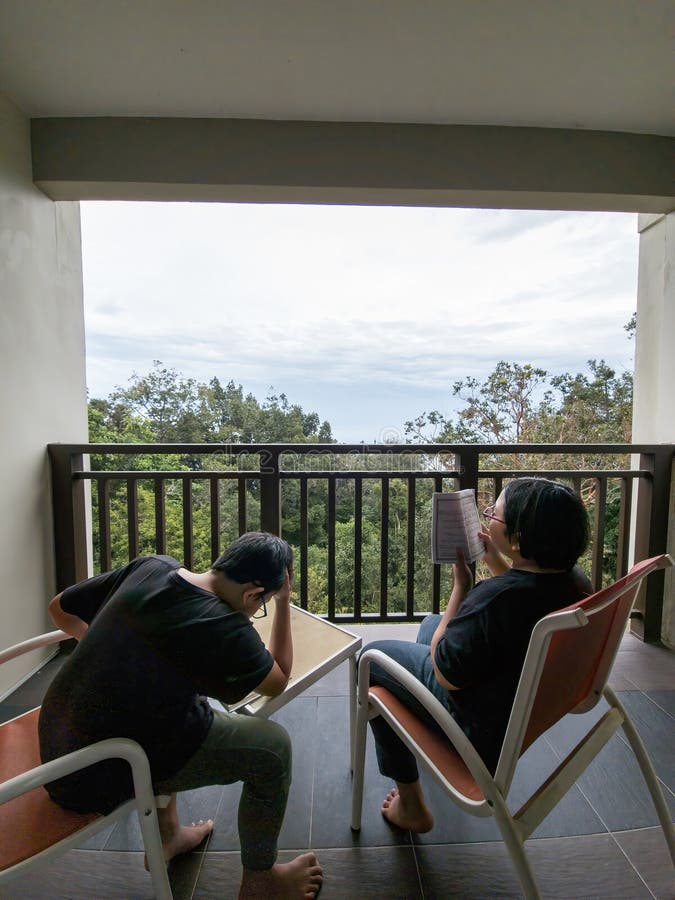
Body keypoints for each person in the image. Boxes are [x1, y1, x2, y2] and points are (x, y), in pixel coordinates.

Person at [38, 532, 323, 899]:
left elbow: (60, 608)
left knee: (179, 702)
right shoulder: (224, 627)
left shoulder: (152, 566)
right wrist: (284, 601)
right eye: (262, 603)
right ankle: (260, 882)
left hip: (57, 739)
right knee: (273, 749)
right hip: (96, 772)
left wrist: (117, 658)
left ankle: (169, 835)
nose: (258, 610)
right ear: (253, 594)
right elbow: (277, 680)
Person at [362, 477, 591, 834]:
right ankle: (415, 716)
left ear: (518, 539)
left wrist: (462, 588)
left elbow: (444, 674)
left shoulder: (491, 601)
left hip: (477, 726)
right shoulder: (575, 583)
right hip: (518, 698)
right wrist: (495, 558)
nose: (487, 520)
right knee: (433, 624)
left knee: (372, 659)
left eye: (494, 516)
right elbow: (524, 598)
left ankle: (412, 806)